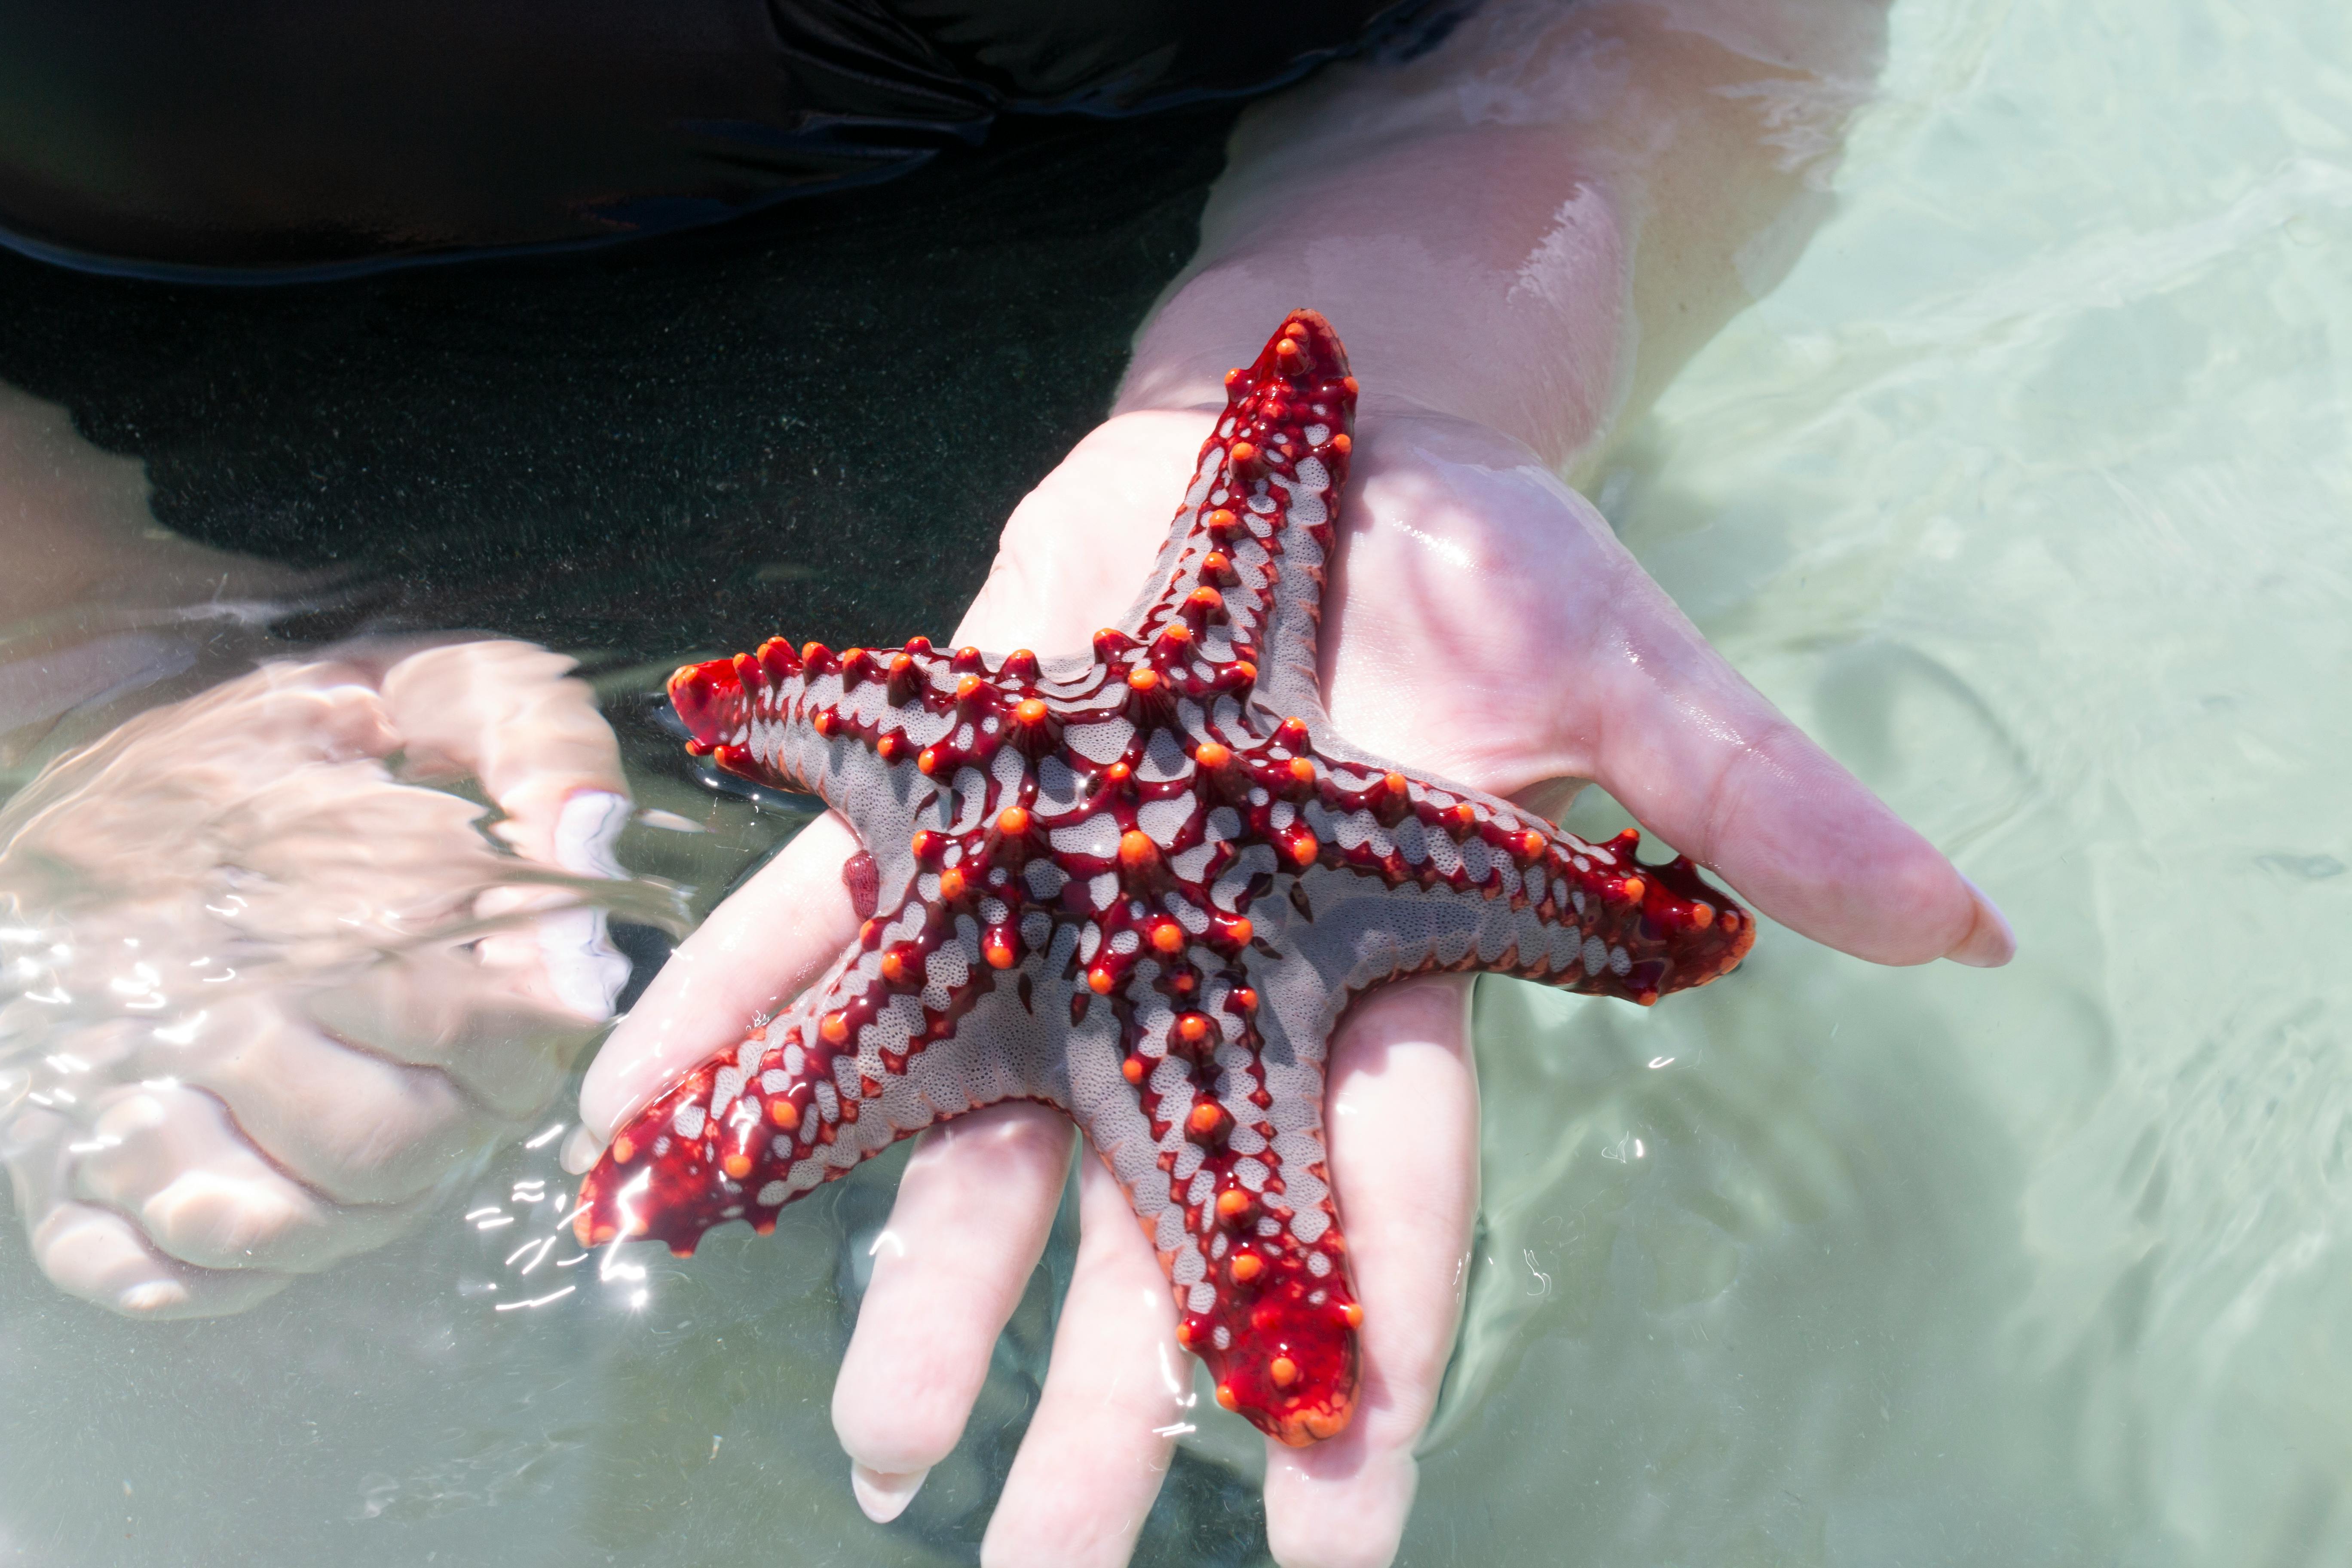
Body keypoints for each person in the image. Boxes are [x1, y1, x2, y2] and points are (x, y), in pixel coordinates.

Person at [0, 1, 2009, 1565]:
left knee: (1190, 1428)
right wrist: (106, 676)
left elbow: (1665, 28)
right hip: (171, 437)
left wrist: (1439, 354)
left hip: (1243, 415)